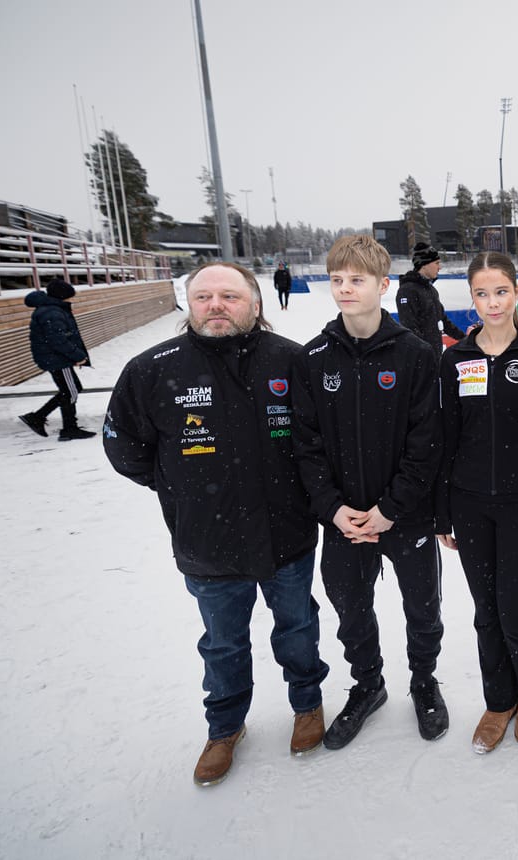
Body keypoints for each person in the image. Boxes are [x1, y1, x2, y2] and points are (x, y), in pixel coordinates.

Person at [102, 262, 329, 787]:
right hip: (208, 541)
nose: (216, 305)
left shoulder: (292, 361)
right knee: (223, 642)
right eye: (204, 296)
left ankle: (308, 704)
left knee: (297, 627)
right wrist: (182, 492)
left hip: (286, 534)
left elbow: (320, 442)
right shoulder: (153, 368)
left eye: (229, 295)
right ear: (188, 303)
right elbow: (124, 447)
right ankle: (224, 727)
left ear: (255, 303)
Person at [291, 235, 447, 750]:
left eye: (356, 280)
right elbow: (306, 445)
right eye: (337, 279)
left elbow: (426, 445)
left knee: (421, 608)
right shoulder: (313, 357)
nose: (344, 289)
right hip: (343, 522)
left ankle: (424, 682)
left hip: (405, 518)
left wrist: (389, 510)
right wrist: (335, 510)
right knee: (350, 608)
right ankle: (368, 684)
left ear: (382, 285)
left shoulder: (416, 355)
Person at [436, 251, 518, 755]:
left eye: (501, 291)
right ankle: (498, 700)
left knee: (513, 606)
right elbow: (446, 437)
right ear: (471, 299)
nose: (492, 302)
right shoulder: (455, 359)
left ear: (517, 293)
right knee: (484, 610)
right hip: (468, 503)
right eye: (482, 294)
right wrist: (442, 509)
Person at [19, 278, 96, 441]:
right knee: (71, 391)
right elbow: (58, 340)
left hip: (54, 358)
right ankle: (66, 427)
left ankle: (40, 418)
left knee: (69, 390)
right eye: (69, 296)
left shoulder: (51, 309)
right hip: (57, 360)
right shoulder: (53, 312)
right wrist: (78, 356)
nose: (70, 300)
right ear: (62, 296)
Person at [396, 242, 465, 359]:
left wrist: (465, 339)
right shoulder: (407, 291)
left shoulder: (431, 290)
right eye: (437, 263)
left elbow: (443, 321)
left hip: (434, 357)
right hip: (419, 360)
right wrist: (425, 353)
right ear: (424, 264)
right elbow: (410, 329)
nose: (440, 267)